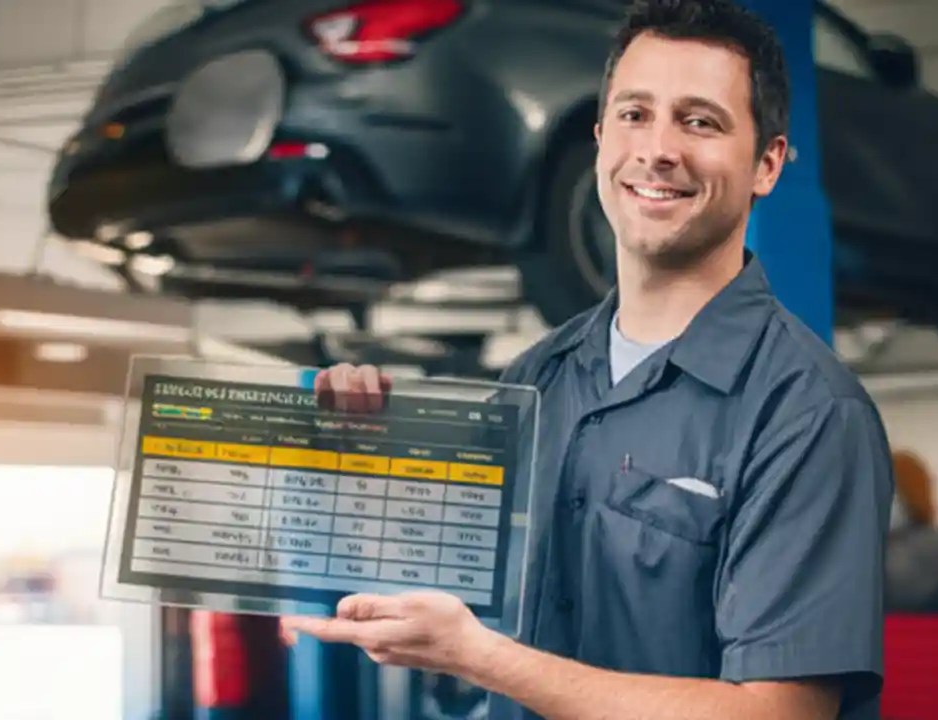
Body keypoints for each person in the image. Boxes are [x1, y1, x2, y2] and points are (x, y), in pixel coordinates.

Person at [283, 1, 895, 718]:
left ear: (767, 164)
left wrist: (483, 655)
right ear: (601, 138)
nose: (658, 148)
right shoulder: (534, 381)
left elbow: (776, 713)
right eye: (635, 114)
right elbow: (459, 659)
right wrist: (369, 488)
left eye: (700, 121)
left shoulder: (809, 413)